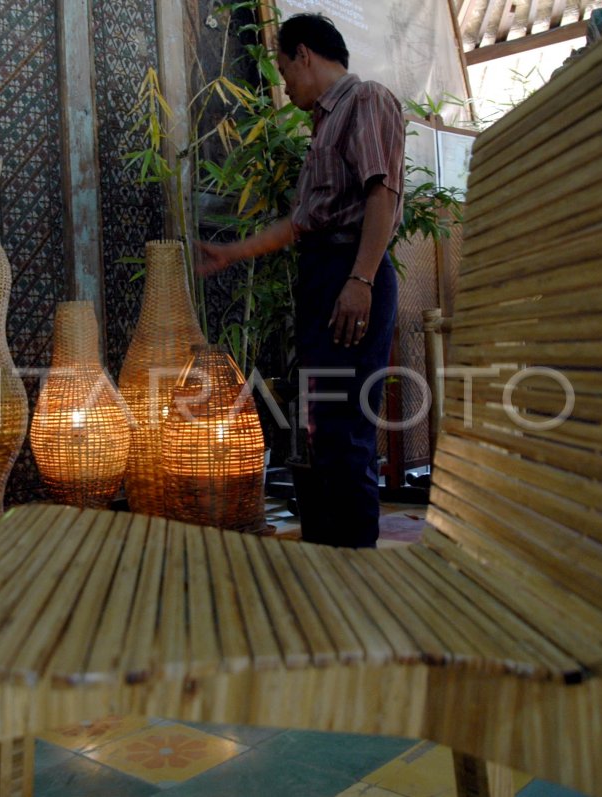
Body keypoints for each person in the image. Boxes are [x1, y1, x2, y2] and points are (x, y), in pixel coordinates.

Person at [198, 13, 404, 548]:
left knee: (347, 435)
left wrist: (360, 279)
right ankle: (328, 563)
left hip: (350, 274)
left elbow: (382, 195)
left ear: (305, 54)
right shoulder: (323, 125)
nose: (285, 85)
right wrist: (231, 253)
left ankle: (355, 570)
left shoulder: (367, 101)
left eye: (286, 69)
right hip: (322, 277)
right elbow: (301, 223)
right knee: (323, 433)